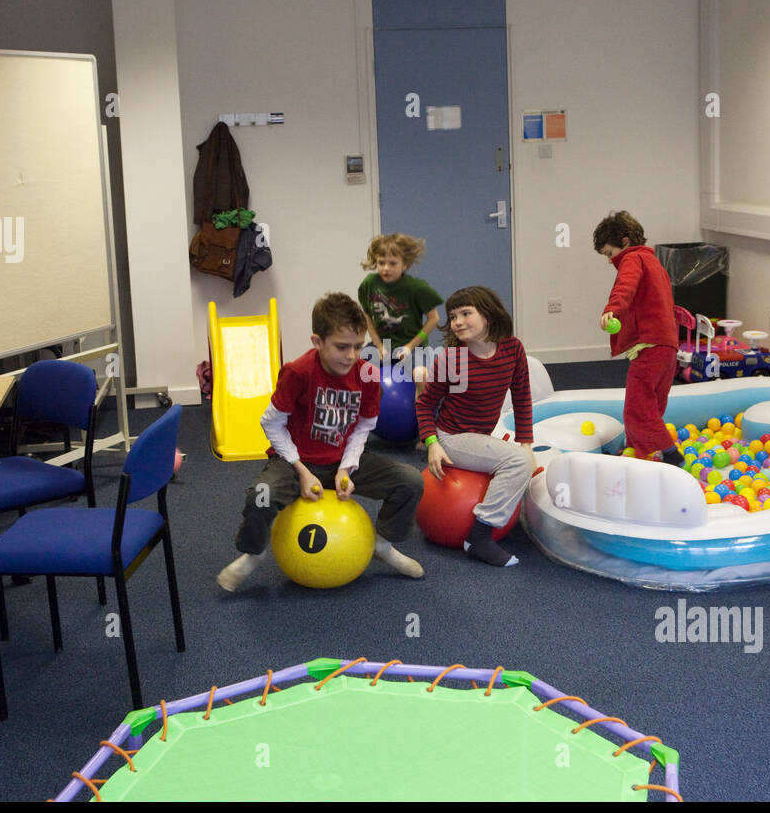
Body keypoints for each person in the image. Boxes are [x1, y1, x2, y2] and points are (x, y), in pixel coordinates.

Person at [217, 293, 425, 591]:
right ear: (317, 341)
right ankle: (254, 554)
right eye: (341, 347)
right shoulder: (298, 372)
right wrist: (301, 470)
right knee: (259, 496)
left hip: (342, 459)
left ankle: (381, 545)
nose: (351, 355)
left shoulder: (368, 375)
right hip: (295, 460)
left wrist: (347, 467)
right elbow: (271, 423)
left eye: (357, 346)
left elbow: (364, 425)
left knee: (410, 481)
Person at [416, 286, 534, 567]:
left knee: (523, 457)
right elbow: (423, 405)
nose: (457, 321)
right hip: (451, 438)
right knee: (518, 463)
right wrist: (431, 445)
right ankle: (479, 537)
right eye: (453, 315)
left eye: (466, 313)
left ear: (489, 316)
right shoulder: (451, 358)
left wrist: (526, 443)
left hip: (480, 434)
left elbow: (522, 396)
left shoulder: (512, 349)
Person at [592, 211, 683, 466]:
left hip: (650, 347)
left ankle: (670, 454)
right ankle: (638, 452)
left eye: (610, 253)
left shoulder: (633, 260)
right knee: (651, 406)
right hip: (667, 347)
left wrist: (612, 308)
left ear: (625, 241)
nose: (610, 261)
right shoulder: (655, 263)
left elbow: (625, 286)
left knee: (636, 408)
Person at [357, 234, 443, 388]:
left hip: (413, 347)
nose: (385, 268)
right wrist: (378, 345)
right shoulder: (369, 284)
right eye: (381, 263)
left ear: (405, 264)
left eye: (392, 263)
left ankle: (421, 411)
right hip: (382, 345)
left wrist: (410, 346)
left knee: (421, 375)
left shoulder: (417, 288)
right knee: (356, 371)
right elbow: (367, 316)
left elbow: (434, 319)